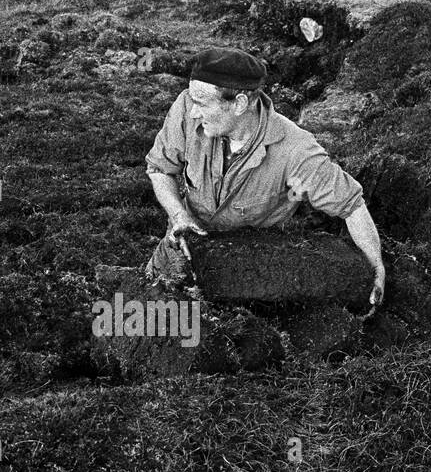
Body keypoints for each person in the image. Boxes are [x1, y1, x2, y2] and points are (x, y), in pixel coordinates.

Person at [143, 46, 385, 308]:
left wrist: (376, 268)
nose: (193, 112)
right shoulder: (187, 107)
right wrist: (179, 216)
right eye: (193, 101)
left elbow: (352, 206)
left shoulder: (295, 150)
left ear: (239, 104)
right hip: (180, 249)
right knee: (151, 308)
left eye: (201, 103)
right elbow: (159, 169)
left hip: (246, 276)